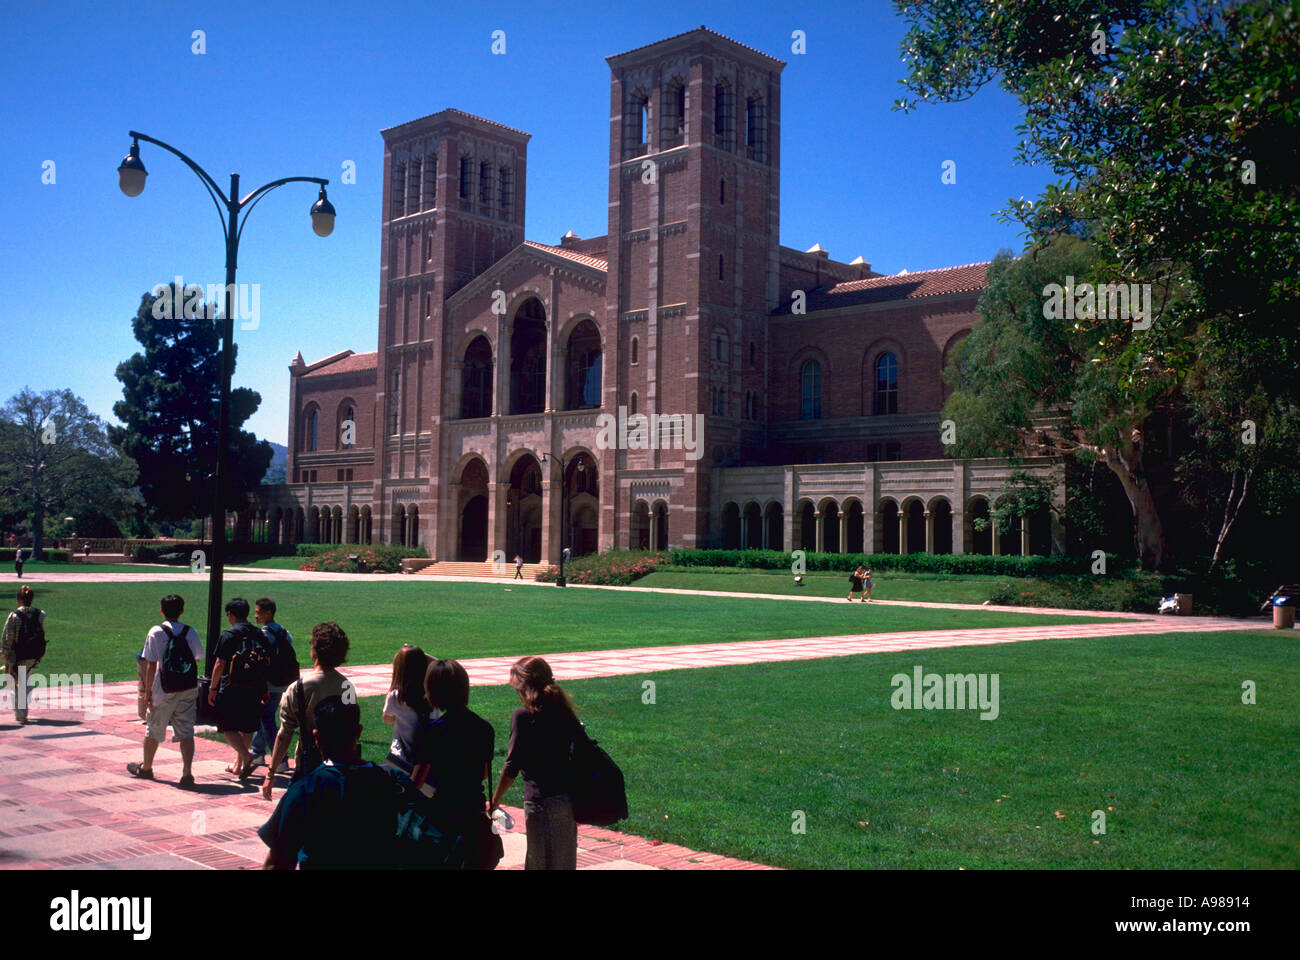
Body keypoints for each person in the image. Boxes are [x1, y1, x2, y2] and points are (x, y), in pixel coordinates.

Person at [258, 696, 399, 870]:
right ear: (359, 731)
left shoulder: (305, 790)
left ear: (316, 736)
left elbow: (277, 862)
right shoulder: (387, 782)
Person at [489, 655, 581, 870]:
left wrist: (495, 800)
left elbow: (512, 765)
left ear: (525, 686)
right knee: (564, 863)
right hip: (566, 801)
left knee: (538, 863)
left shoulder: (524, 716)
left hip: (540, 802)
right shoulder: (563, 710)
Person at [411, 659, 494, 865]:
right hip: (474, 811)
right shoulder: (484, 727)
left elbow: (416, 781)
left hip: (444, 814)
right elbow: (484, 773)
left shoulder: (432, 731)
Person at [262, 621, 354, 801]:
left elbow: (284, 735)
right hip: (341, 763)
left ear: (315, 650)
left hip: (307, 763)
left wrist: (271, 773)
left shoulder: (298, 688)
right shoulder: (346, 686)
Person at [127, 594, 204, 787]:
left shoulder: (156, 632)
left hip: (163, 688)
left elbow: (151, 664)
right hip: (187, 687)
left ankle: (147, 767)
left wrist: (147, 693)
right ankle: (187, 773)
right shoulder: (190, 631)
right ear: (182, 610)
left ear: (162, 610)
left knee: (153, 729)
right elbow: (197, 657)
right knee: (186, 730)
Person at [208, 597, 269, 779]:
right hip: (254, 685)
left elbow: (220, 663)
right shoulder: (258, 633)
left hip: (232, 685)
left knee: (227, 725)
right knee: (248, 726)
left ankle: (245, 756)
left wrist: (212, 688)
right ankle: (239, 765)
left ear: (231, 614)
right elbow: (266, 662)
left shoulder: (229, 635)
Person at [249, 597, 294, 774]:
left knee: (266, 719)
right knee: (264, 716)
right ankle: (257, 752)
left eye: (258, 612)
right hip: (282, 682)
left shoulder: (264, 634)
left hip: (267, 684)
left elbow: (258, 662)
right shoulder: (284, 632)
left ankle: (281, 759)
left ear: (268, 612)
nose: (255, 616)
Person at [381, 644, 433, 775]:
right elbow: (438, 664)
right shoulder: (433, 695)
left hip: (401, 758)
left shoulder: (396, 697)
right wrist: (421, 657)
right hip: (427, 762)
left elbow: (387, 718)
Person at [1, 585, 45, 723]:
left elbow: (7, 637)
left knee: (14, 683)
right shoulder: (40, 614)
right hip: (33, 654)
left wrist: (4, 654)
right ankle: (22, 709)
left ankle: (21, 713)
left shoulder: (14, 615)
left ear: (19, 599)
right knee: (25, 681)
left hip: (17, 655)